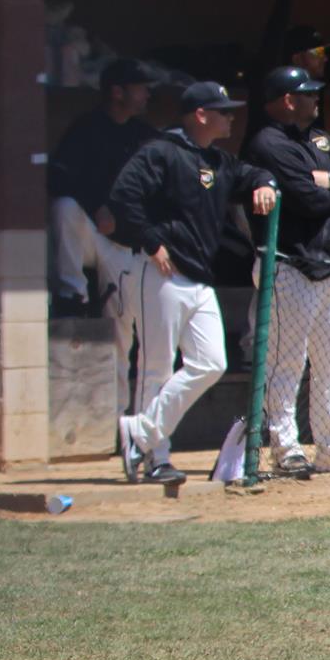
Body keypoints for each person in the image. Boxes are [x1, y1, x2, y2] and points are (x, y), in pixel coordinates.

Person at [105, 82, 276, 484]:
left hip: (200, 278)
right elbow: (122, 196)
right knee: (156, 368)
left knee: (212, 362)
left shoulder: (216, 160)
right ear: (200, 114)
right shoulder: (161, 150)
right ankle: (155, 458)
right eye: (223, 111)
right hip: (160, 271)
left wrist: (264, 182)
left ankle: (141, 433)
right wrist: (151, 243)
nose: (231, 117)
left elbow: (250, 172)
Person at [243, 65, 330, 476]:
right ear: (287, 100)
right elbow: (309, 201)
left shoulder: (318, 137)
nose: (316, 99)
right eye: (308, 93)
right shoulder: (267, 143)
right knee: (286, 362)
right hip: (291, 266)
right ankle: (286, 449)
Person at [48, 57, 157, 316]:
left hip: (124, 239)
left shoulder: (145, 136)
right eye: (140, 88)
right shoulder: (86, 128)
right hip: (89, 233)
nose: (146, 94)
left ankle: (122, 357)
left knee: (122, 315)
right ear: (118, 92)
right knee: (64, 206)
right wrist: (98, 206)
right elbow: (58, 178)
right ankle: (72, 296)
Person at [244, 0, 330, 146]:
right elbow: (272, 41)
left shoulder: (318, 78)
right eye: (318, 53)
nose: (325, 58)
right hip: (271, 163)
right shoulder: (273, 82)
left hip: (309, 163)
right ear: (297, 57)